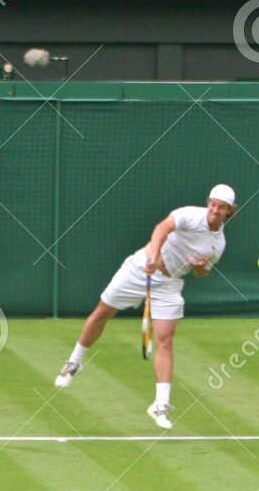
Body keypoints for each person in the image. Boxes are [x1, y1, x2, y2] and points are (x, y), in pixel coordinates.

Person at [54, 184, 236, 430]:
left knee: (166, 340)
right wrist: (153, 255)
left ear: (229, 211)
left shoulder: (218, 245)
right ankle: (74, 363)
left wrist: (199, 266)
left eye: (221, 207)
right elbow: (162, 227)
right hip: (140, 269)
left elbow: (203, 274)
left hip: (169, 284)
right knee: (102, 313)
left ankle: (160, 405)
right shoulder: (190, 215)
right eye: (212, 203)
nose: (214, 210)